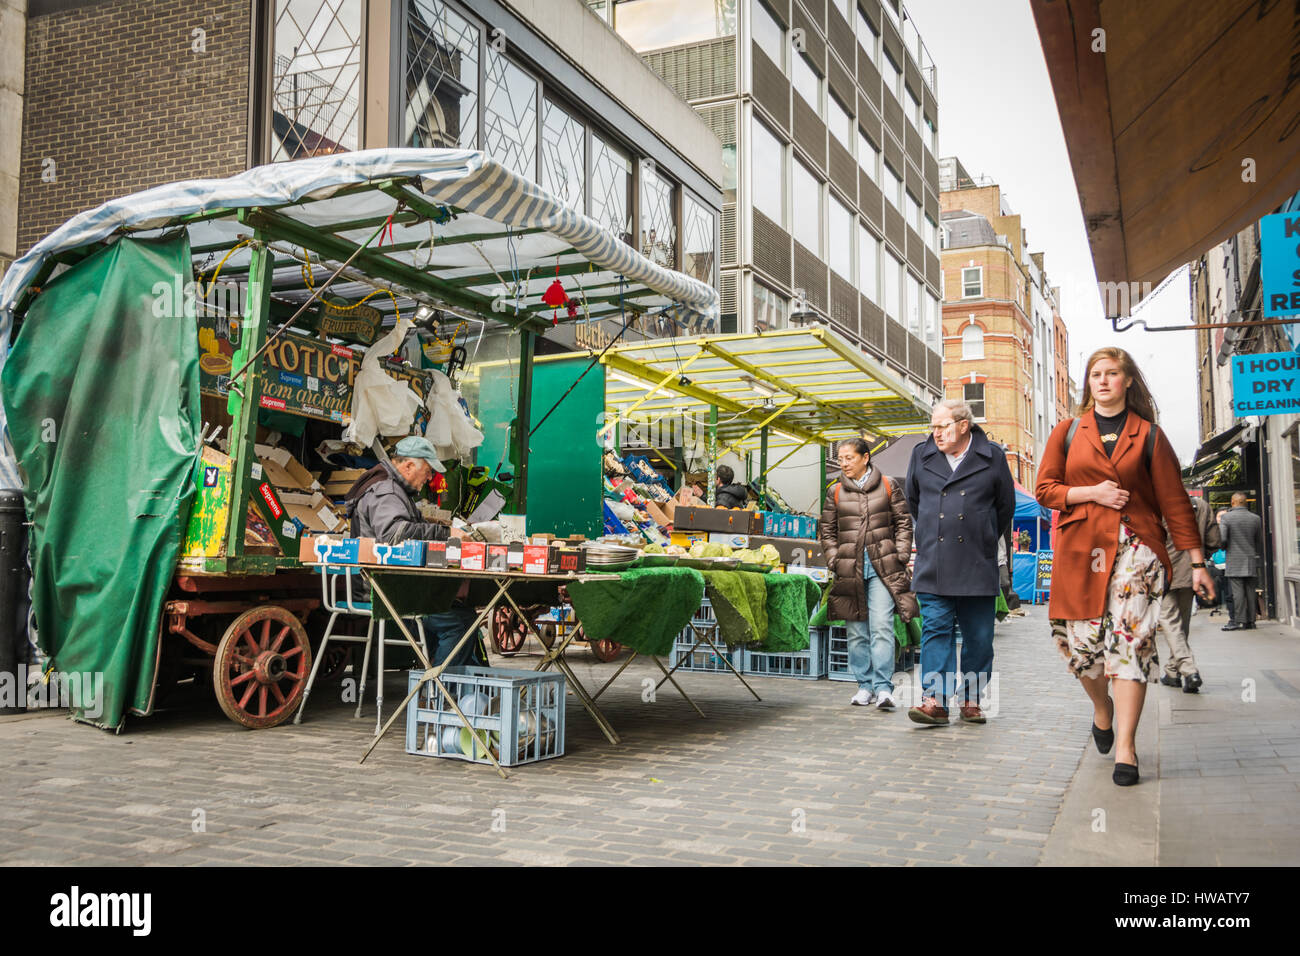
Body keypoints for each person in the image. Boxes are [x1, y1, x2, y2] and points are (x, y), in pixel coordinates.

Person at [1036, 347, 1212, 787]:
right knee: (1081, 648)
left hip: (1137, 550)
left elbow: (1175, 503)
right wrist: (1090, 493)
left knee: (1130, 644)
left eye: (1112, 373)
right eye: (1095, 374)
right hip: (1081, 552)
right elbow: (1045, 489)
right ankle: (1102, 708)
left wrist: (1197, 561)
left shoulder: (1149, 435)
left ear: (1127, 380)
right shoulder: (1068, 431)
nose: (1102, 380)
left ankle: (1127, 747)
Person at [904, 399, 1015, 725]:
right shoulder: (921, 455)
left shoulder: (992, 456)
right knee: (935, 630)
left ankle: (971, 699)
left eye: (943, 426)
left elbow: (1005, 507)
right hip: (934, 561)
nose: (936, 433)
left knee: (979, 637)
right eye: (933, 427)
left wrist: (981, 533)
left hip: (977, 562)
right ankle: (934, 701)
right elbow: (914, 501)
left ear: (964, 425)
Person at [344, 436, 479, 668]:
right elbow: (395, 534)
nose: (429, 478)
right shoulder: (386, 491)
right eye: (427, 471)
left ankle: (442, 678)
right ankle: (440, 685)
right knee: (459, 622)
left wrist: (441, 528)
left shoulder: (393, 489)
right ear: (408, 466)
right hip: (382, 590)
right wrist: (447, 534)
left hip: (392, 584)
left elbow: (408, 527)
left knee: (460, 612)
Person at [821, 437, 918, 711]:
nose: (843, 463)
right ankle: (864, 685)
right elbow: (826, 530)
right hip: (848, 569)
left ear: (865, 458)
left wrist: (900, 554)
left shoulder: (888, 485)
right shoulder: (835, 491)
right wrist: (834, 559)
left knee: (882, 627)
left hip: (882, 568)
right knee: (856, 632)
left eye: (849, 458)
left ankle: (884, 688)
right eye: (840, 459)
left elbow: (903, 522)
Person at [1157, 492, 1221, 692]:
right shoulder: (1201, 505)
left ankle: (1189, 669)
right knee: (1182, 623)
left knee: (1170, 622)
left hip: (1164, 572)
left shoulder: (1158, 505)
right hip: (1192, 572)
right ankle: (1172, 671)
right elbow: (1214, 540)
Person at [1219, 493, 1263, 631]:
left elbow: (1222, 539)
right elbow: (1259, 540)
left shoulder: (1226, 518)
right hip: (1250, 559)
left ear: (1233, 502)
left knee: (1237, 592)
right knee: (1250, 591)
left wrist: (1223, 547)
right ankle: (1251, 621)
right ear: (1245, 502)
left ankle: (1239, 621)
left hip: (1234, 559)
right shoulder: (1255, 518)